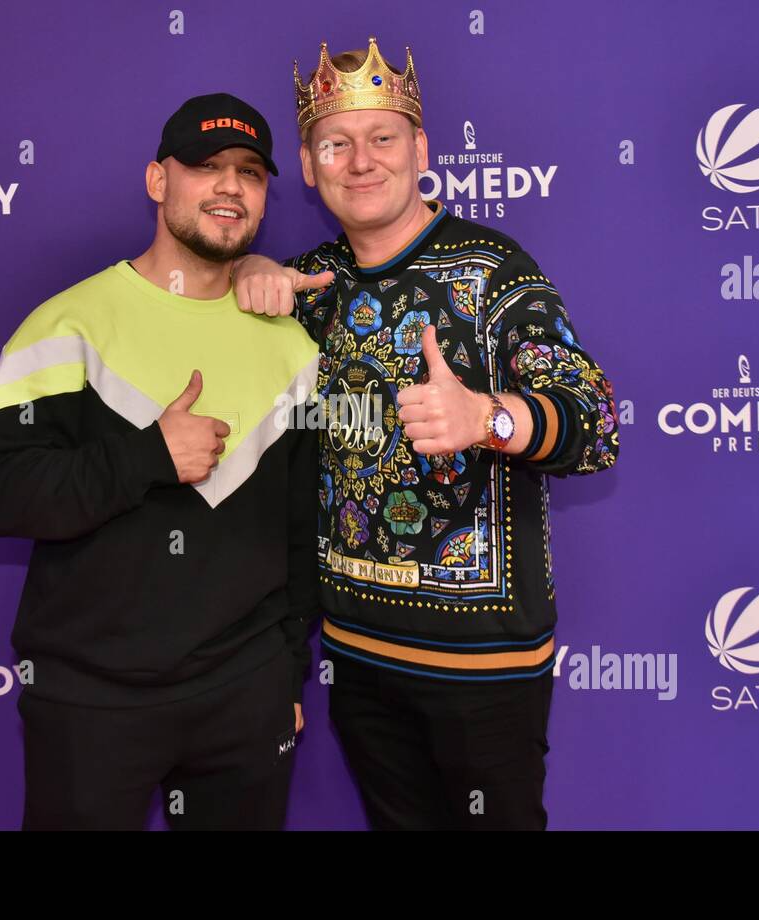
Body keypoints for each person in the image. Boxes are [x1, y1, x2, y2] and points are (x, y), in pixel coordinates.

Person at [232, 38, 621, 830]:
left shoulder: (493, 272)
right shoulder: (305, 284)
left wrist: (490, 416)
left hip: (482, 666)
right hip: (358, 656)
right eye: (336, 144)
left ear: (422, 151)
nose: (361, 161)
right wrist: (243, 273)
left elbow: (599, 424)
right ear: (308, 167)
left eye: (383, 138)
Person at [0, 93, 319, 831]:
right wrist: (146, 455)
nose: (229, 186)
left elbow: (299, 534)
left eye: (250, 172)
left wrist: (284, 673)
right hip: (91, 703)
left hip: (244, 701)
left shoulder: (292, 346)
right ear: (159, 181)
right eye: (206, 166)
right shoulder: (66, 326)